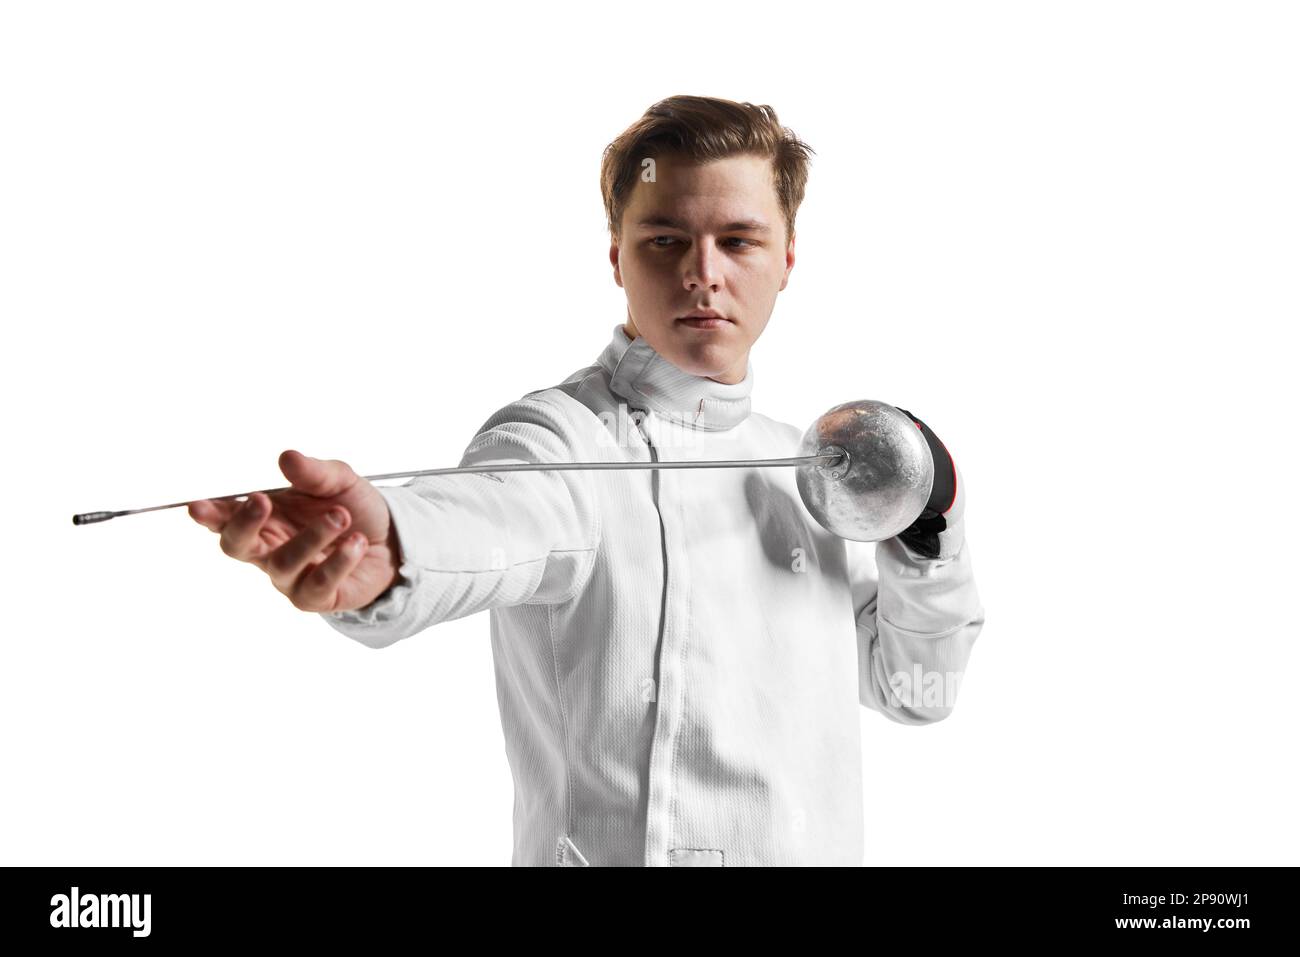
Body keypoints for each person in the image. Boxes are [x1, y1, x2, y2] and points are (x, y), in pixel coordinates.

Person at [188, 94, 986, 867]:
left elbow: (915, 688)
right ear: (616, 254)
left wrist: (926, 529)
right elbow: (495, 518)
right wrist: (391, 552)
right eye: (665, 240)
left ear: (787, 258)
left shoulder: (816, 472)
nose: (703, 274)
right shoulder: (560, 438)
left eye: (738, 240)